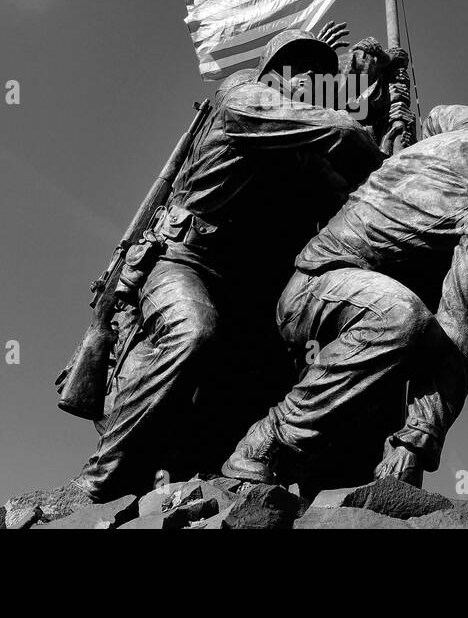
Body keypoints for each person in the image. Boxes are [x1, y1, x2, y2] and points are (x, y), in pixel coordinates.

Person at [221, 94, 468, 489]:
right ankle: (266, 443)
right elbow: (457, 328)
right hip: (318, 293)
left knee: (403, 317)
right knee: (403, 317)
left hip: (325, 292)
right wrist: (418, 441)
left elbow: (437, 117)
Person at [77, 27, 392, 501]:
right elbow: (342, 129)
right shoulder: (243, 96)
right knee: (193, 332)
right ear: (274, 73)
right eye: (298, 68)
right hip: (185, 259)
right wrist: (362, 117)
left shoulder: (302, 152)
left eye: (318, 73)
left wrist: (397, 135)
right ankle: (104, 478)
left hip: (246, 287)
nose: (308, 77)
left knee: (290, 365)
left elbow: (357, 195)